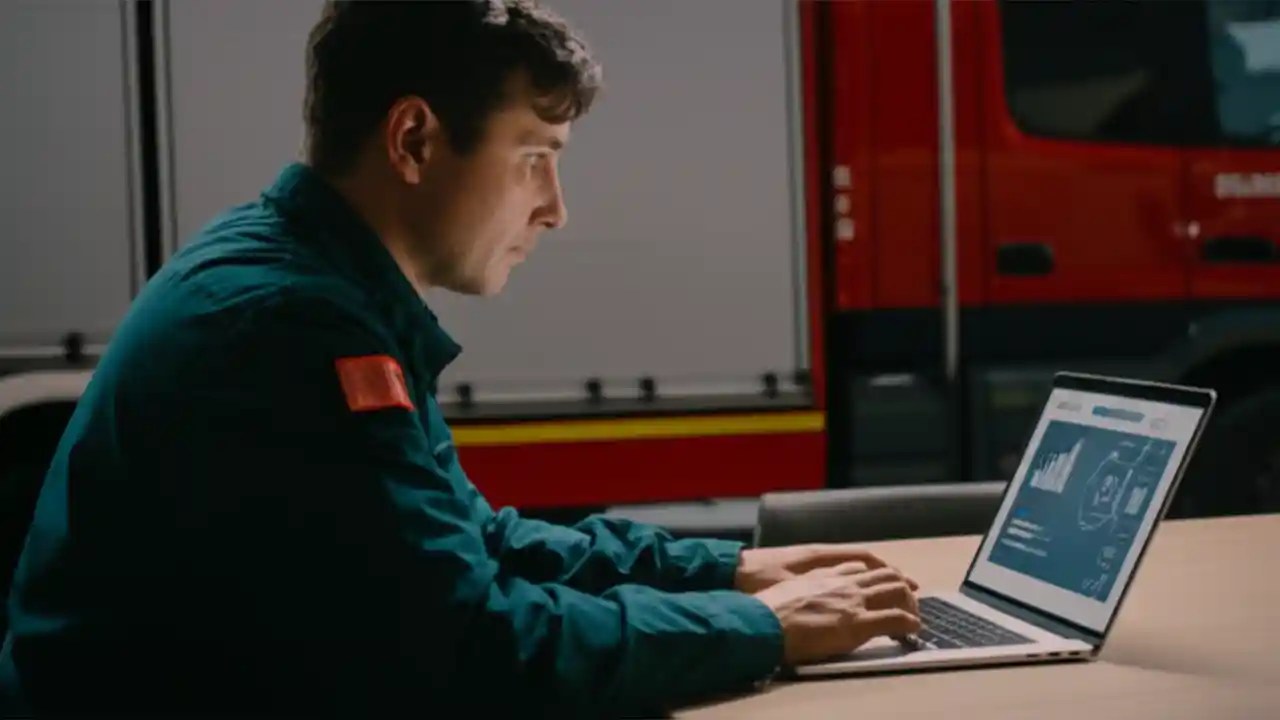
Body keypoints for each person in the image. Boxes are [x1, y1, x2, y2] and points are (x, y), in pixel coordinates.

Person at [0, 1, 922, 716]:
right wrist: (759, 630)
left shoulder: (316, 281)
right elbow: (471, 647)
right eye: (534, 156)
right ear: (413, 141)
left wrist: (722, 575)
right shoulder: (288, 326)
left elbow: (470, 543)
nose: (556, 207)